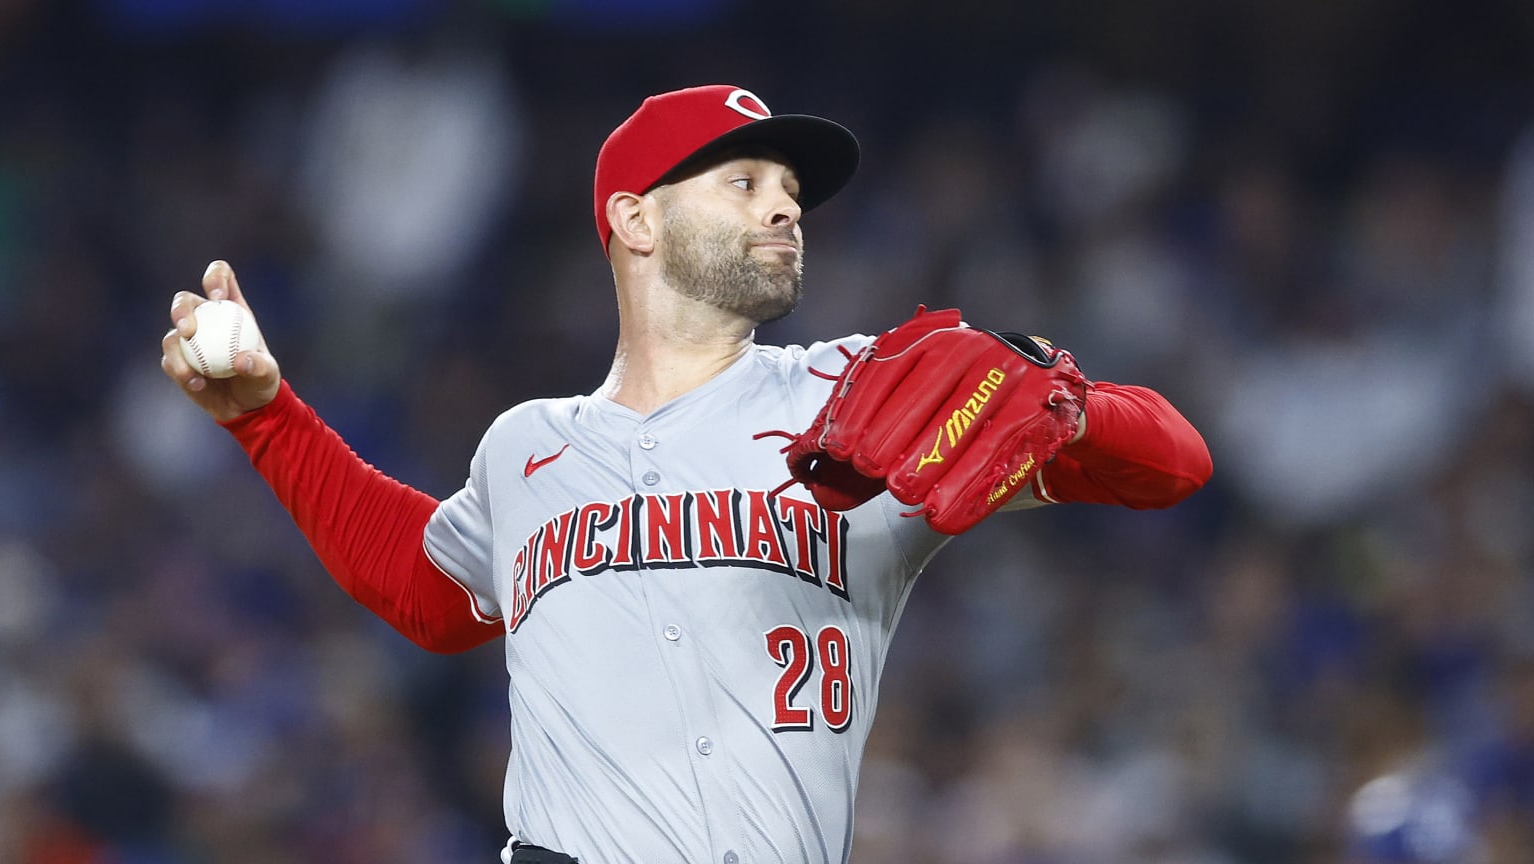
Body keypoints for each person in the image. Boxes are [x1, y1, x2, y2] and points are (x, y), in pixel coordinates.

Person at [160, 84, 1213, 864]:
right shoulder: (530, 446)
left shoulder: (858, 392)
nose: (784, 208)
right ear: (634, 219)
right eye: (744, 182)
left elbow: (1173, 463)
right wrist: (267, 420)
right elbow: (430, 593)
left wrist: (1062, 400)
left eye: (792, 191)